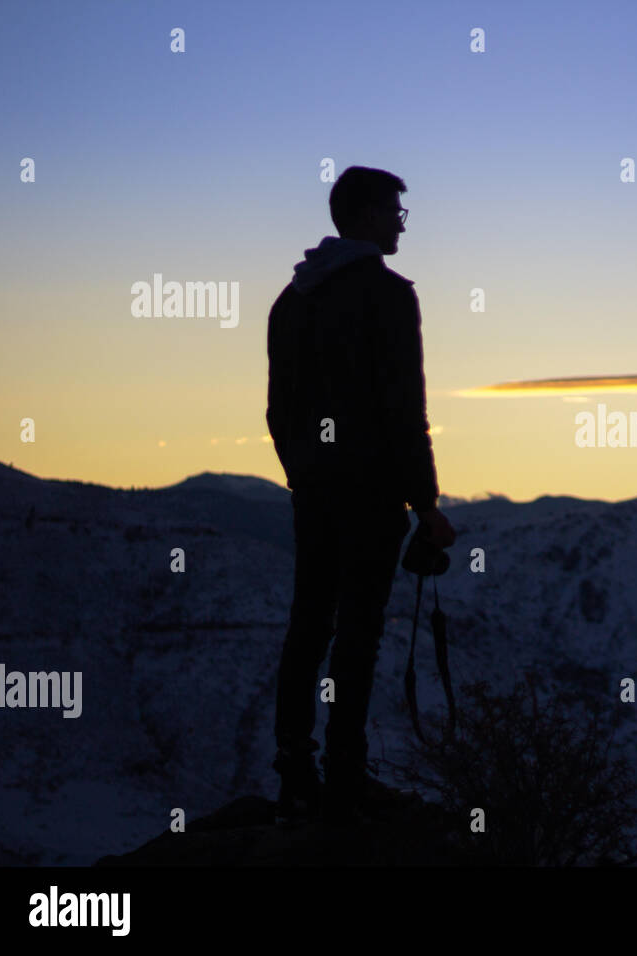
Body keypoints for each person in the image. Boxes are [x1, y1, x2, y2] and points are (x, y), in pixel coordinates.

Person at [266, 165, 456, 825]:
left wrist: (303, 474)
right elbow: (405, 409)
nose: (404, 221)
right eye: (397, 210)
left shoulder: (292, 300)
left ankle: (296, 769)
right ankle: (346, 775)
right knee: (359, 633)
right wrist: (425, 503)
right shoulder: (386, 294)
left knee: (309, 623)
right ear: (370, 214)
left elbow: (277, 410)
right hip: (371, 492)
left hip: (314, 492)